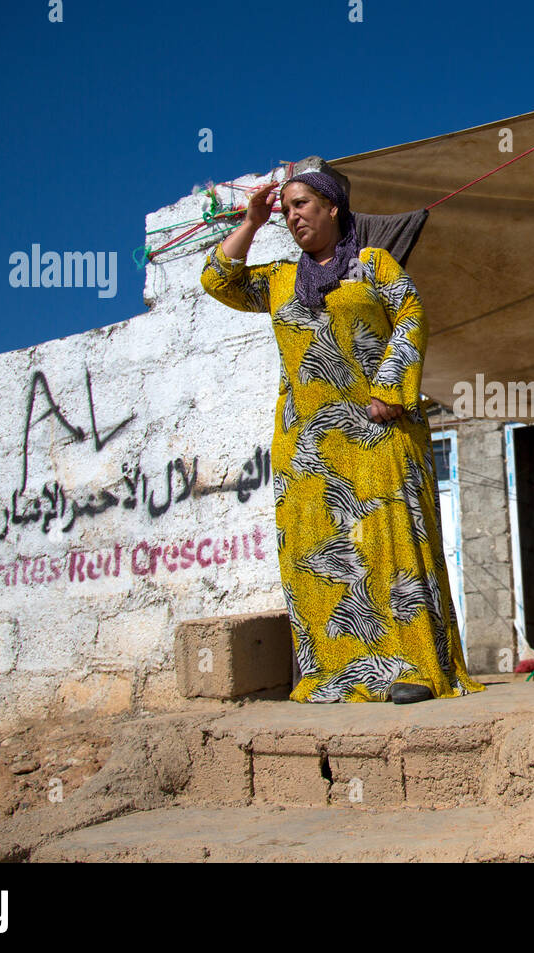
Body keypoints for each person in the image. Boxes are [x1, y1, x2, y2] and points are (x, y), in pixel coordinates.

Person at [199, 166, 485, 704]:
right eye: (285, 209)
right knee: (318, 552)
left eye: (301, 204)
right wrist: (252, 221)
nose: (292, 216)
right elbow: (219, 281)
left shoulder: (373, 265)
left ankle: (417, 670)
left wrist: (391, 389)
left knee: (391, 544)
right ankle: (339, 675)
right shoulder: (281, 280)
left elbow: (411, 315)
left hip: (380, 427)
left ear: (333, 208)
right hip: (308, 444)